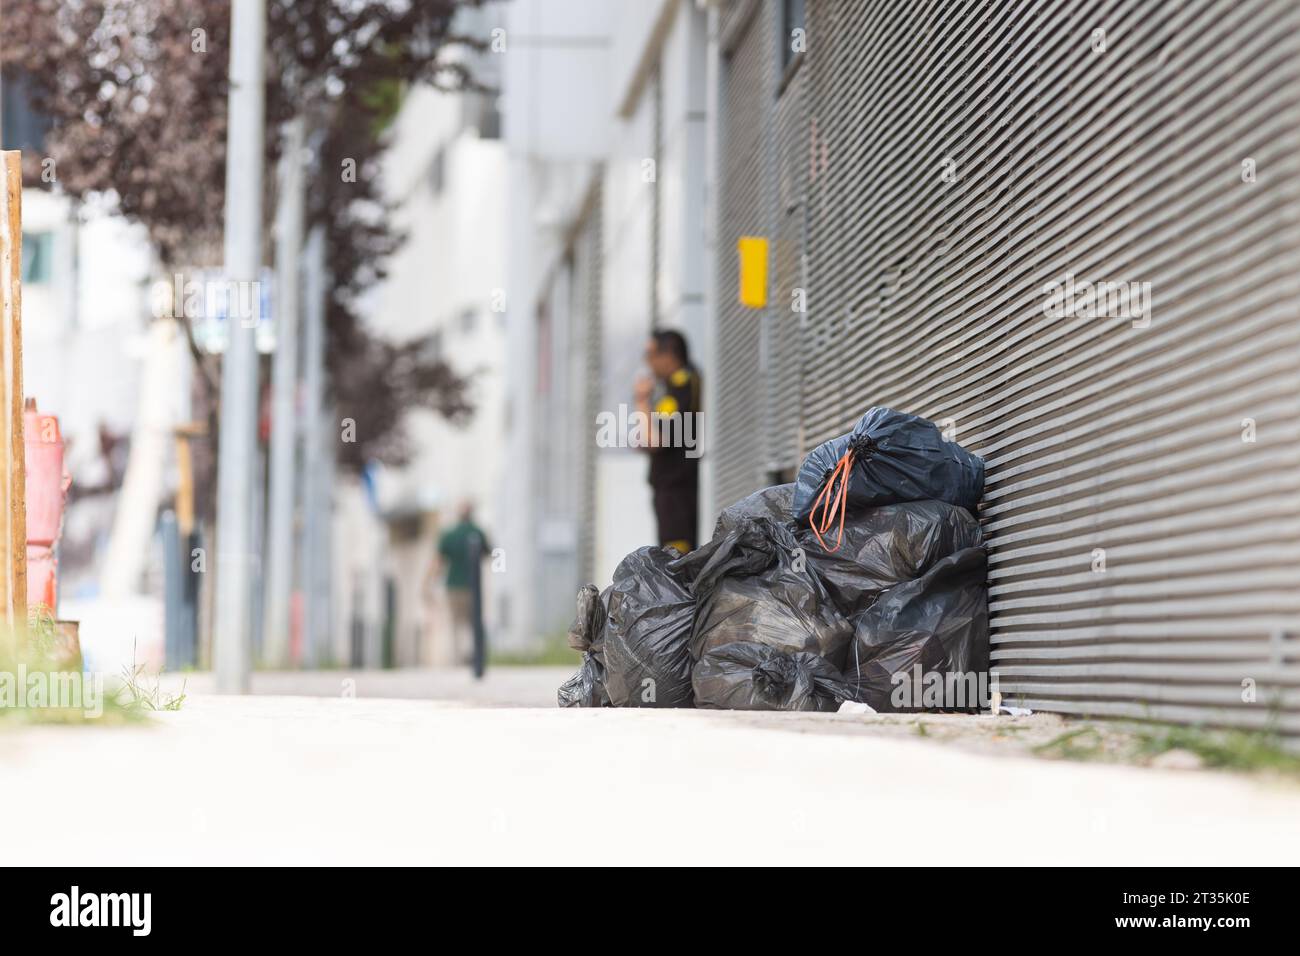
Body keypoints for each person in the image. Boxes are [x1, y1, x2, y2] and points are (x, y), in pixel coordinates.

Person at [634, 329, 701, 554]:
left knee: (676, 558)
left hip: (676, 490)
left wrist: (641, 401)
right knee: (671, 554)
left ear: (668, 355)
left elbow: (655, 440)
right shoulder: (672, 387)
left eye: (650, 355)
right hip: (671, 489)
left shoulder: (681, 383)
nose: (648, 363)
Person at [433, 502, 491, 666]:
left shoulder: (449, 535)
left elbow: (439, 561)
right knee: (473, 622)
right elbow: (489, 554)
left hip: (453, 586)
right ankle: (471, 655)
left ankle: (457, 658)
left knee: (454, 623)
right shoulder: (478, 533)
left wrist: (432, 583)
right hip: (473, 586)